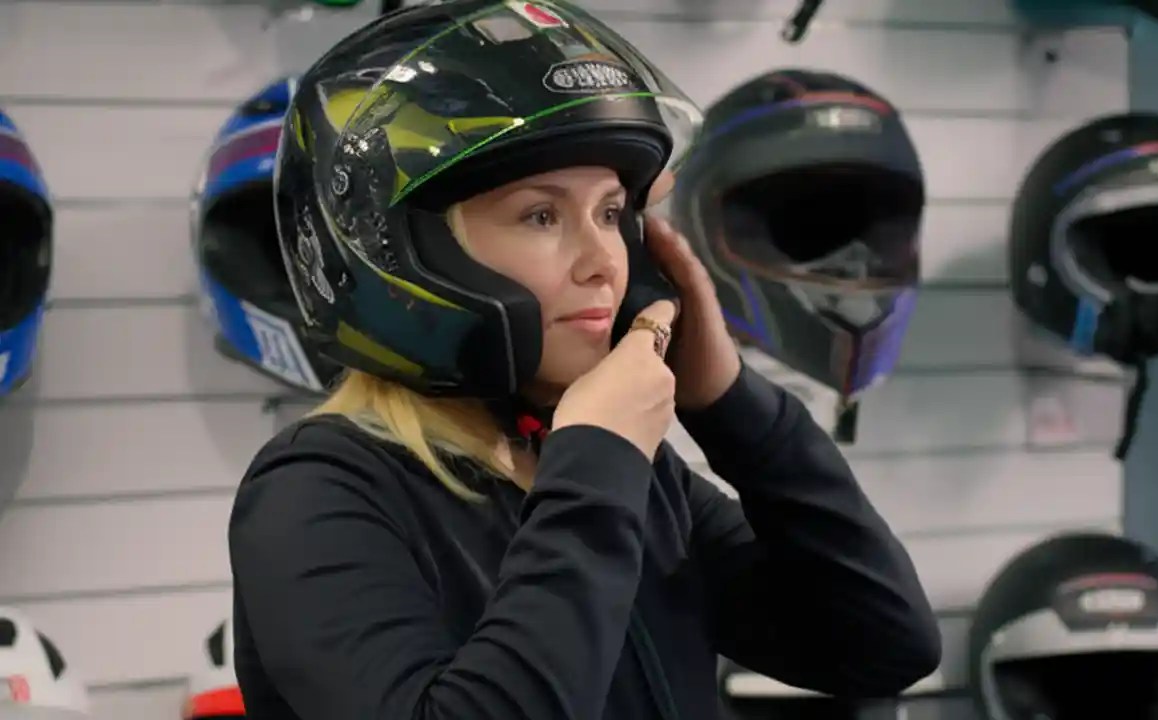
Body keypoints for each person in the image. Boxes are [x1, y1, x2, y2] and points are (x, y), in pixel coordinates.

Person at [226, 2, 941, 719]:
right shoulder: (320, 492)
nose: (605, 262)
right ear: (402, 251)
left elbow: (883, 642)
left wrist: (730, 407)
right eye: (541, 215)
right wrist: (597, 465)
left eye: (609, 213)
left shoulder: (629, 480)